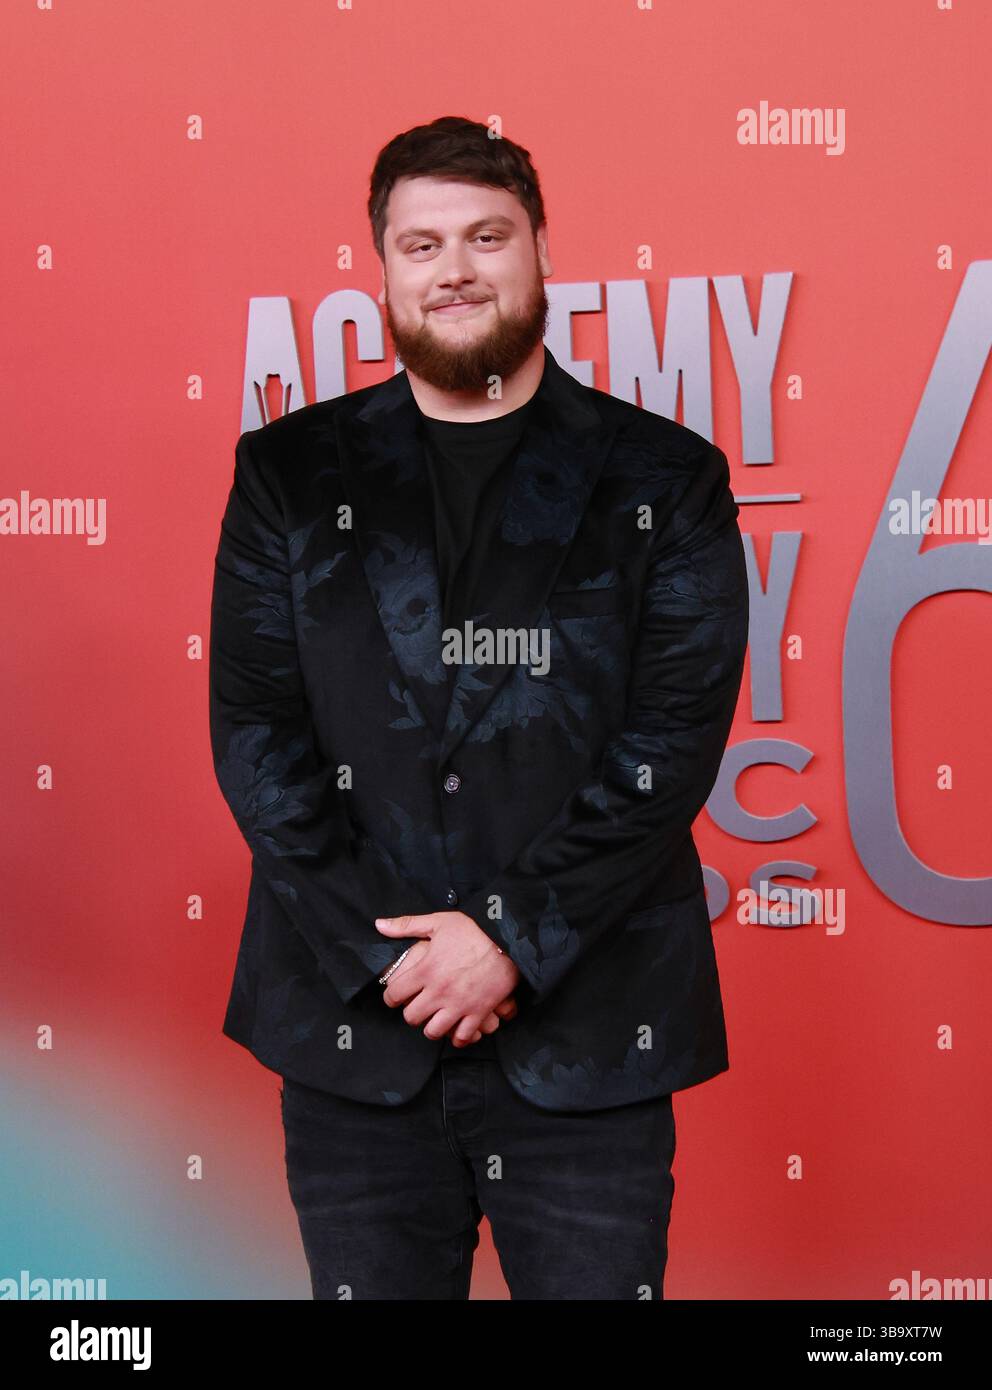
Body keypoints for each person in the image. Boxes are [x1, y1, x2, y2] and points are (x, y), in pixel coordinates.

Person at [209, 115, 750, 1300]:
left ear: (541, 253)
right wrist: (389, 960)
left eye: (484, 236)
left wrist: (506, 938)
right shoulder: (288, 477)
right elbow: (256, 740)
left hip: (591, 1042)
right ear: (384, 272)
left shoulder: (665, 479)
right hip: (358, 1036)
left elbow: (667, 746)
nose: (452, 267)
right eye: (420, 244)